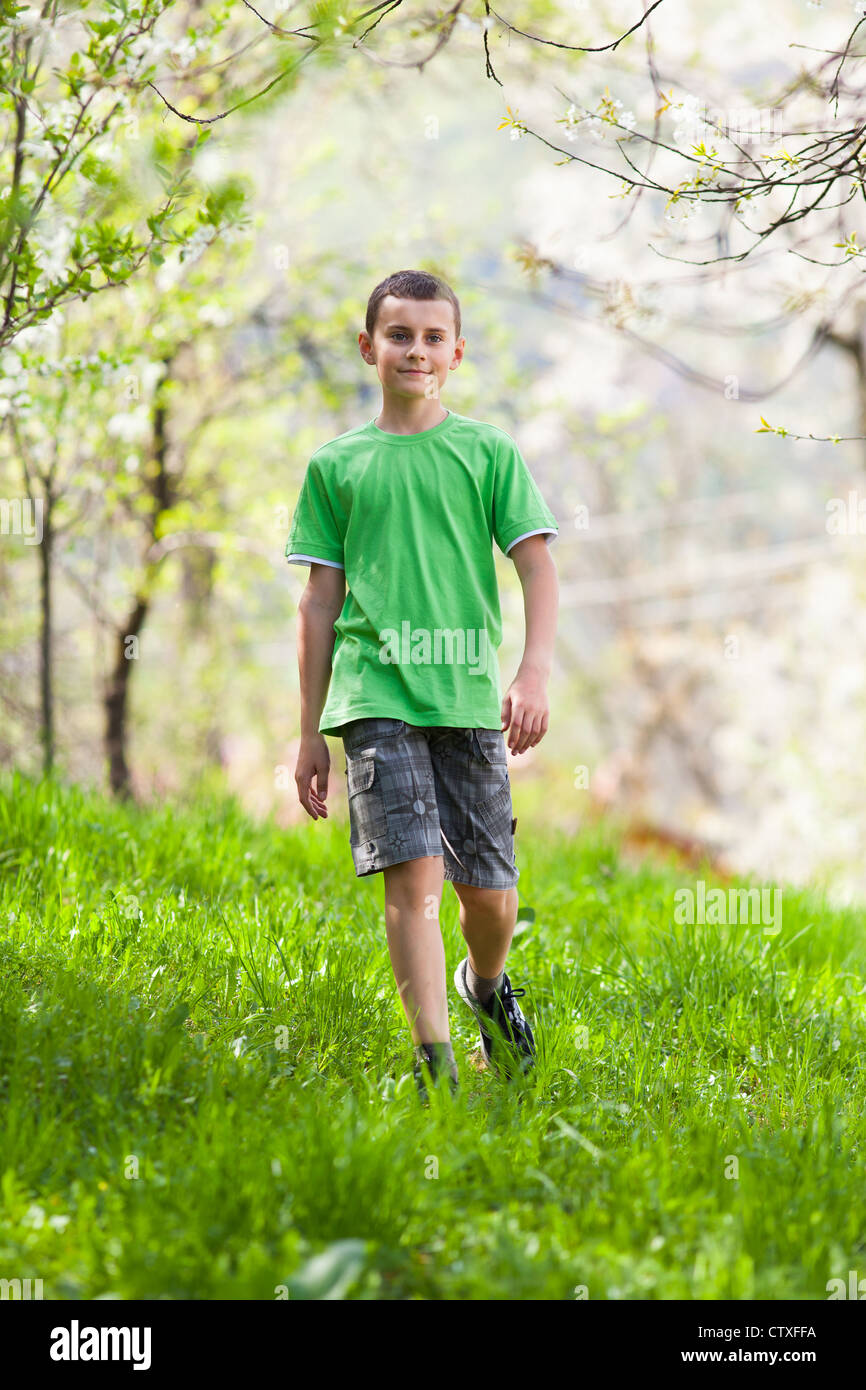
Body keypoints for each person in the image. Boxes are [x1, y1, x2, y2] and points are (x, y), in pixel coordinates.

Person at [286, 268, 559, 1097]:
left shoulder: (487, 453)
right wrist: (308, 731)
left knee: (492, 896)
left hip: (468, 700)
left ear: (457, 352)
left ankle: (484, 987)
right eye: (399, 334)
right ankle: (434, 1064)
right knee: (413, 884)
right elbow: (319, 602)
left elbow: (538, 571)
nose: (415, 349)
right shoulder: (336, 466)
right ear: (369, 347)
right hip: (374, 697)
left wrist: (533, 671)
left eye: (432, 336)